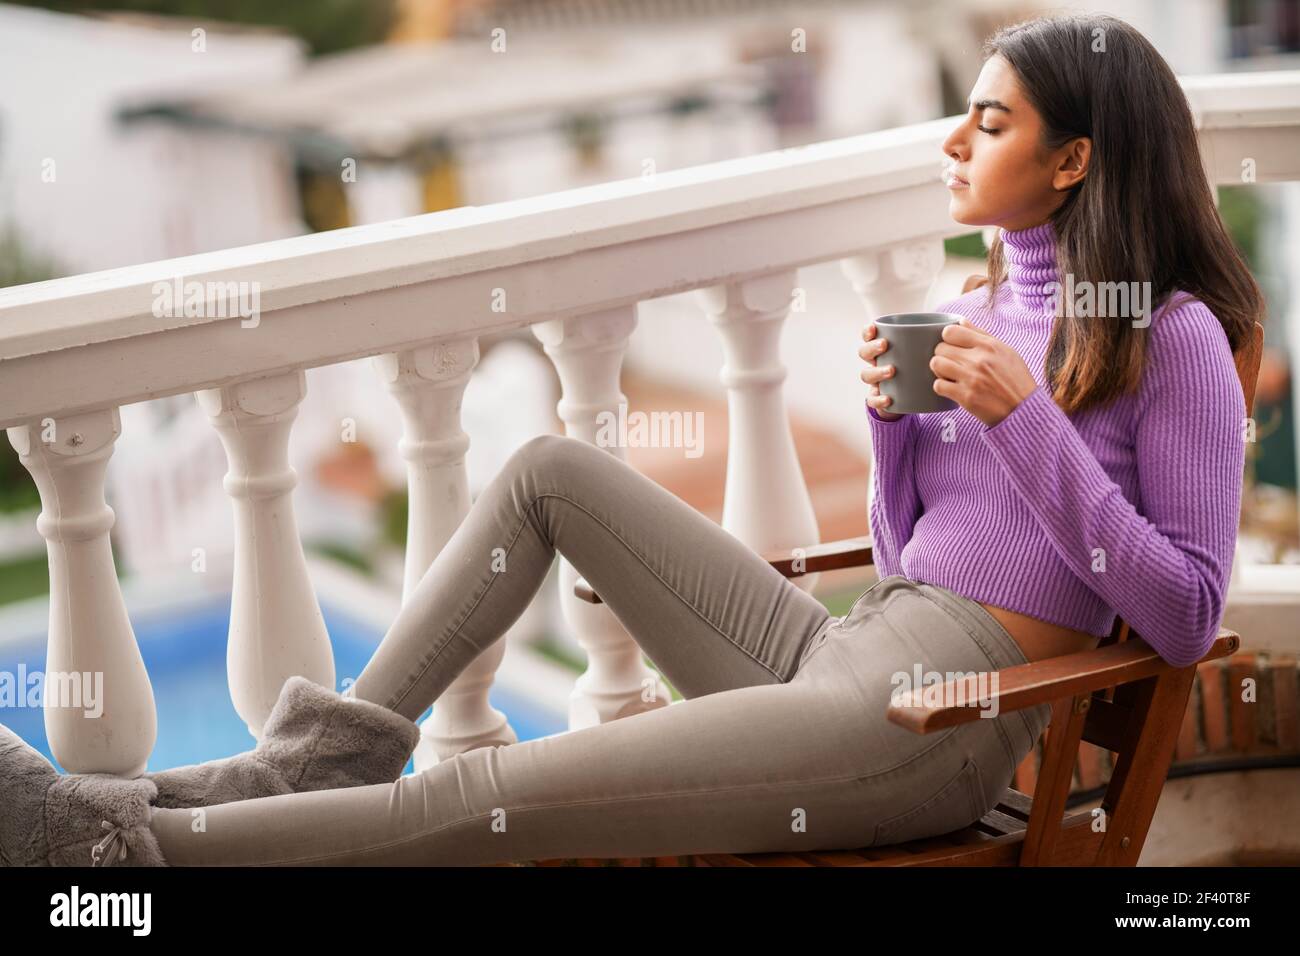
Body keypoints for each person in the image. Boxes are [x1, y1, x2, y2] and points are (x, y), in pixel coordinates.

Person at [1, 11, 1258, 867]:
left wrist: (1024, 422)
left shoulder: (1178, 336)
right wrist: (891, 432)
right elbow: (906, 550)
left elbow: (1189, 615)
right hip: (850, 643)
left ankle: (109, 851)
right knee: (550, 472)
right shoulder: (985, 303)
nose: (951, 140)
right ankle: (318, 757)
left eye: (988, 122)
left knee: (482, 793)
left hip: (926, 721)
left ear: (1076, 158)